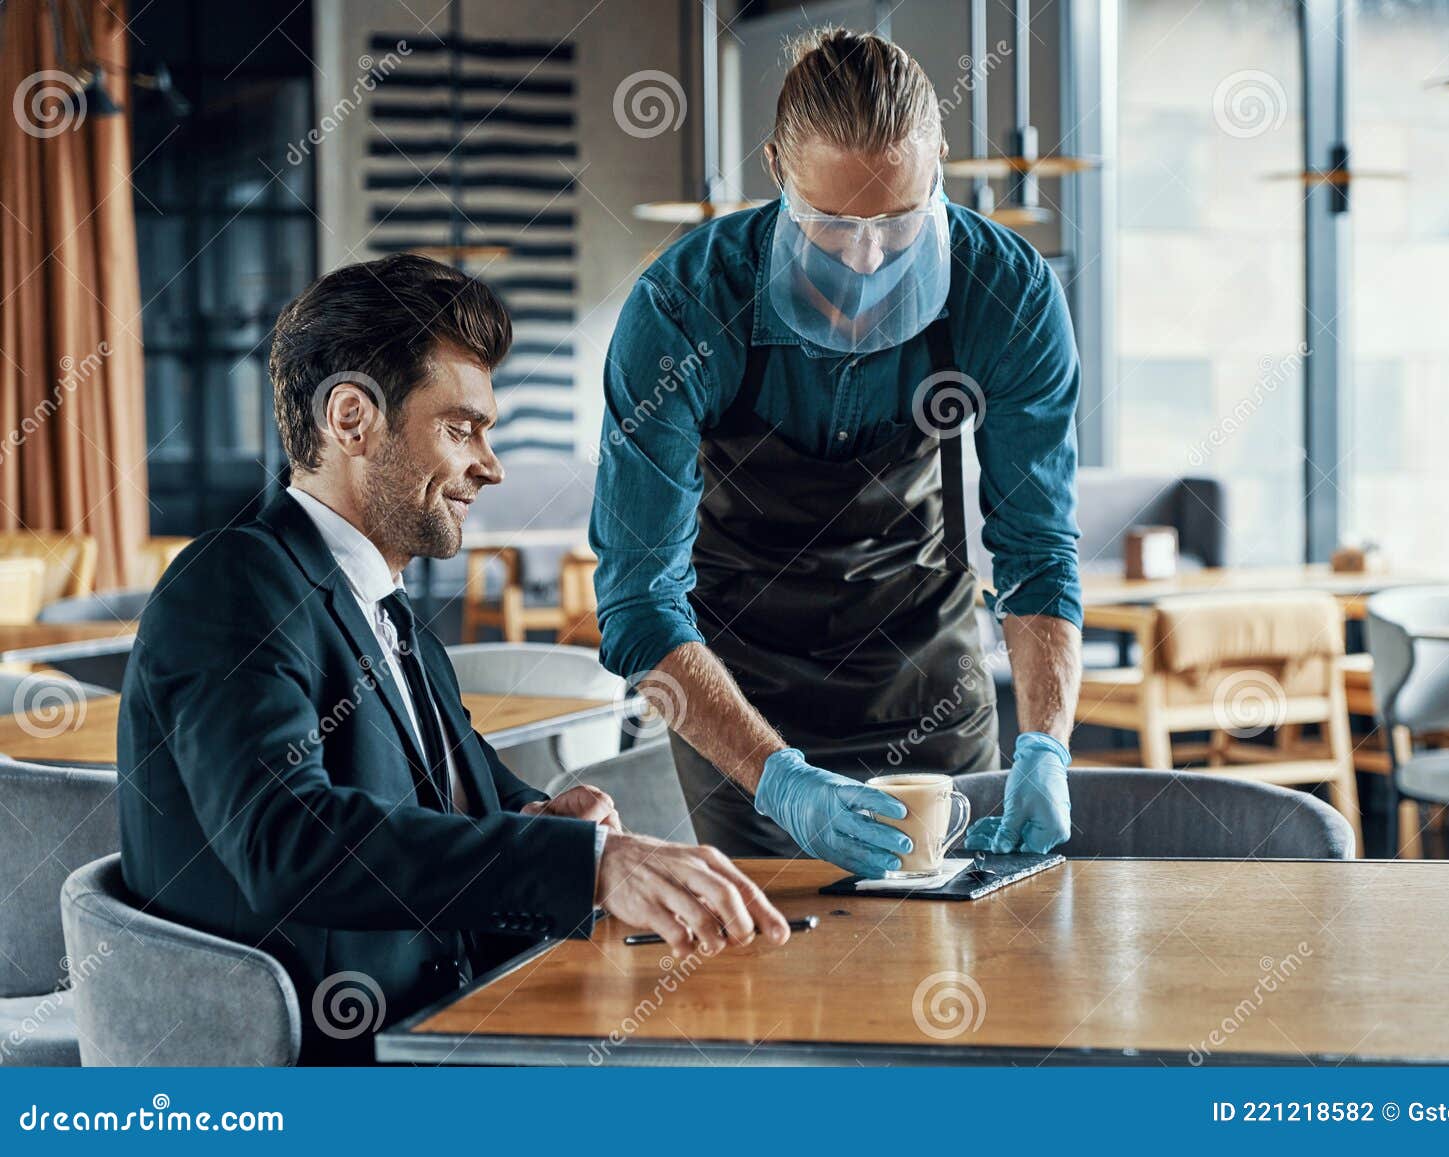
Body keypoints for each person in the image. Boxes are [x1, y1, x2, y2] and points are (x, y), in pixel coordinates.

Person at [118, 255, 789, 1064]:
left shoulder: (391, 611)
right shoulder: (234, 584)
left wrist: (544, 819)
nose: (490, 464)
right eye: (461, 427)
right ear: (352, 418)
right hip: (328, 1063)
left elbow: (460, 799)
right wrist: (590, 866)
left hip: (449, 1019)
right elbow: (284, 840)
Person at [591, 29, 1082, 877]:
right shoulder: (682, 310)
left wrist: (1046, 742)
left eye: (897, 222)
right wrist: (777, 781)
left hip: (926, 672)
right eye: (831, 225)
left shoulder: (1006, 291)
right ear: (778, 166)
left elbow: (1037, 552)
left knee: (965, 954)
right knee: (774, 965)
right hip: (736, 686)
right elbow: (637, 606)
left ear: (939, 166)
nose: (865, 257)